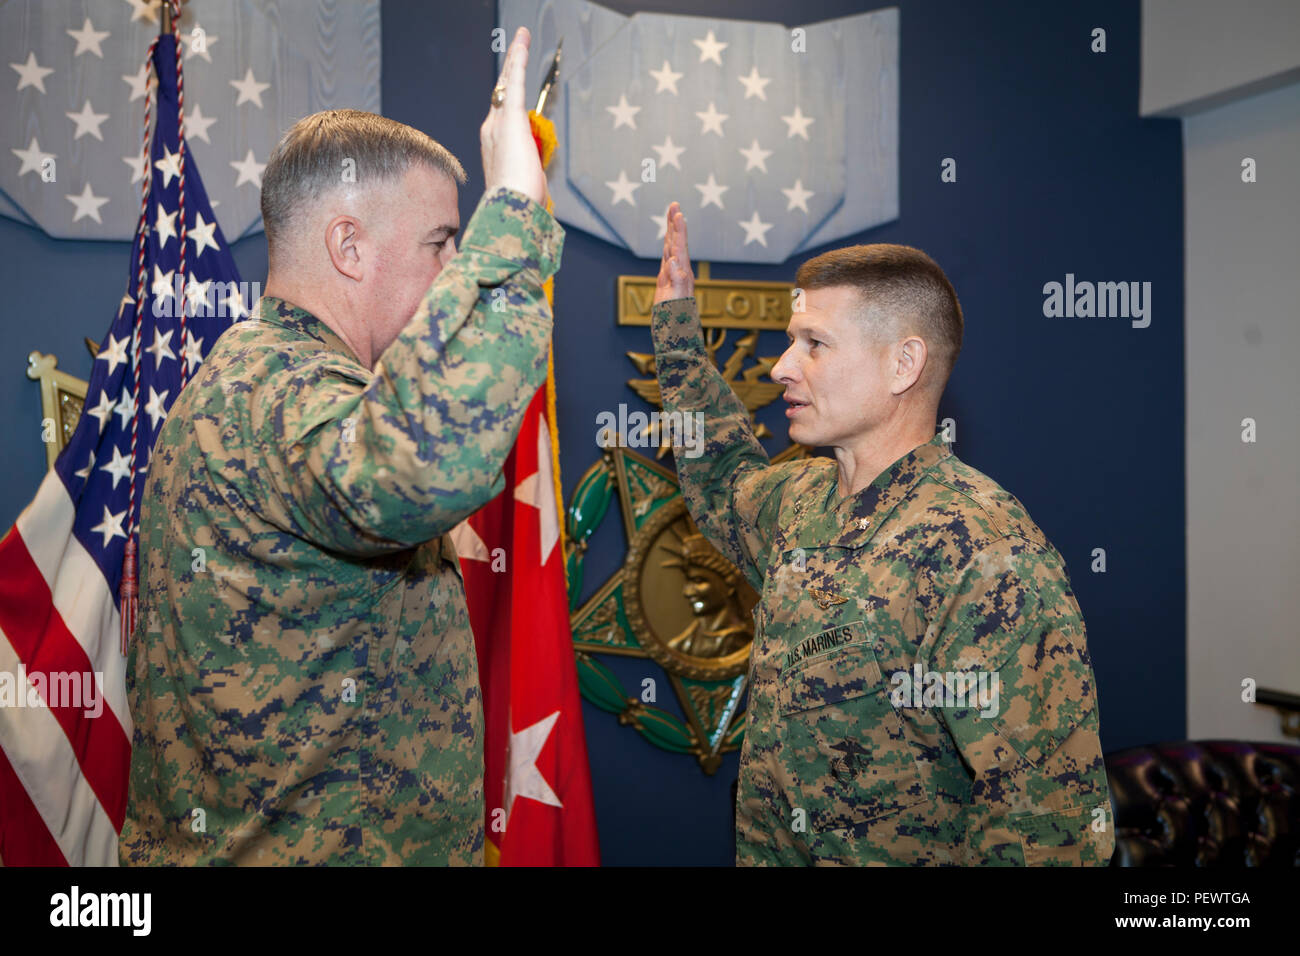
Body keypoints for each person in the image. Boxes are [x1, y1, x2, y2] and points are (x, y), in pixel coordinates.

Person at [120, 27, 560, 865]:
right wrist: (514, 215)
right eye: (442, 244)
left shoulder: (266, 381)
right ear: (349, 247)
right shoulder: (275, 391)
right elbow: (422, 465)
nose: (453, 266)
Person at [650, 201, 1115, 866]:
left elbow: (1048, 825)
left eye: (814, 345)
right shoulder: (804, 497)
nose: (783, 367)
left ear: (904, 365)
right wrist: (676, 333)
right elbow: (723, 482)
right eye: (791, 342)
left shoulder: (985, 550)